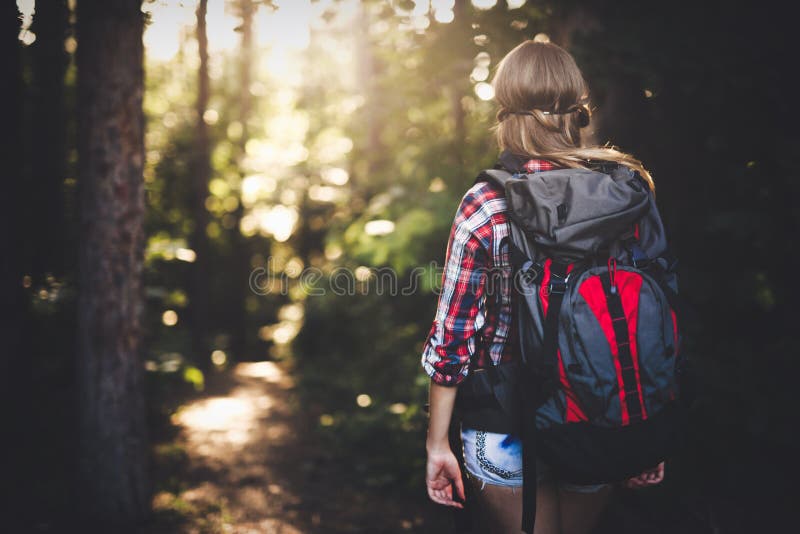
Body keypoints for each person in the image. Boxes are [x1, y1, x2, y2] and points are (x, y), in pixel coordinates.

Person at [421, 39, 666, 534]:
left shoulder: (487, 202)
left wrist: (437, 444)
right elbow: (651, 318)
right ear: (577, 105)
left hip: (503, 417)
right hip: (601, 412)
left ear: (504, 109)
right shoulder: (627, 190)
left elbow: (454, 338)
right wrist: (647, 428)